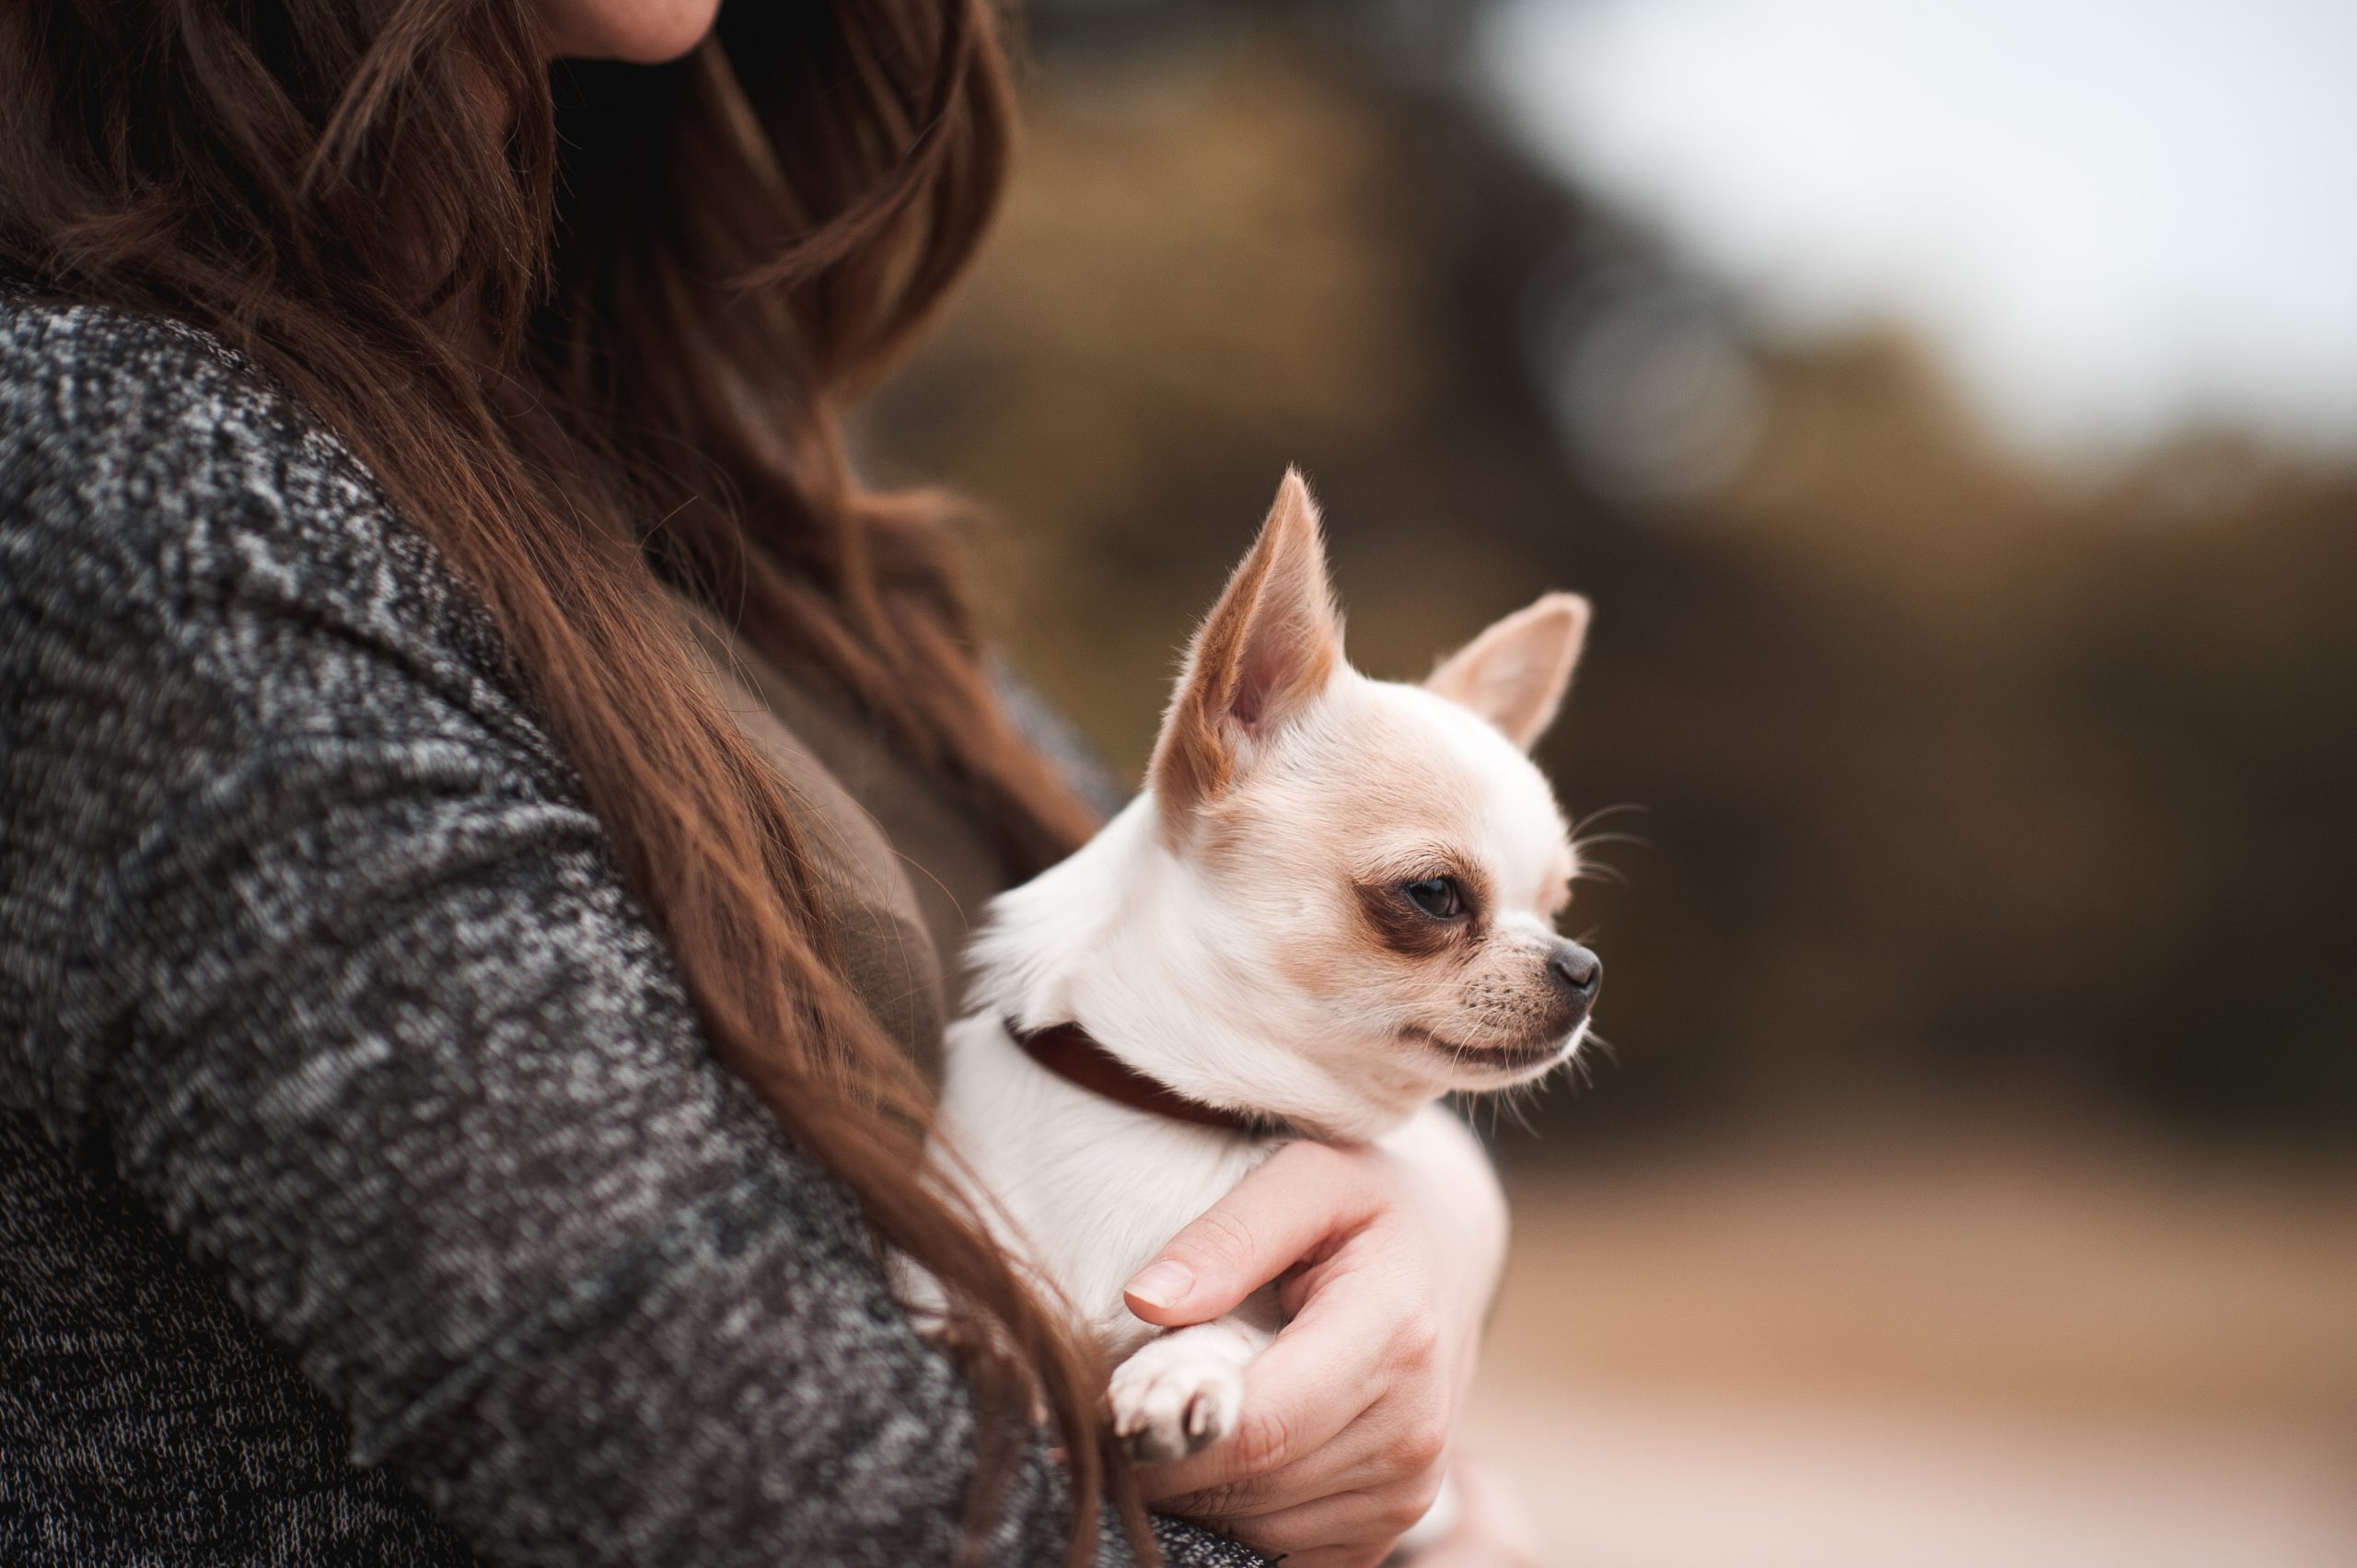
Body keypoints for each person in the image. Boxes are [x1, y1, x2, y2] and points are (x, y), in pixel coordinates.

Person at [0, 3, 1529, 1563]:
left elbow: (1239, 949)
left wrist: (1430, 1229)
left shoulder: (692, 455)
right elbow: (796, 1509)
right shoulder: (128, 481)